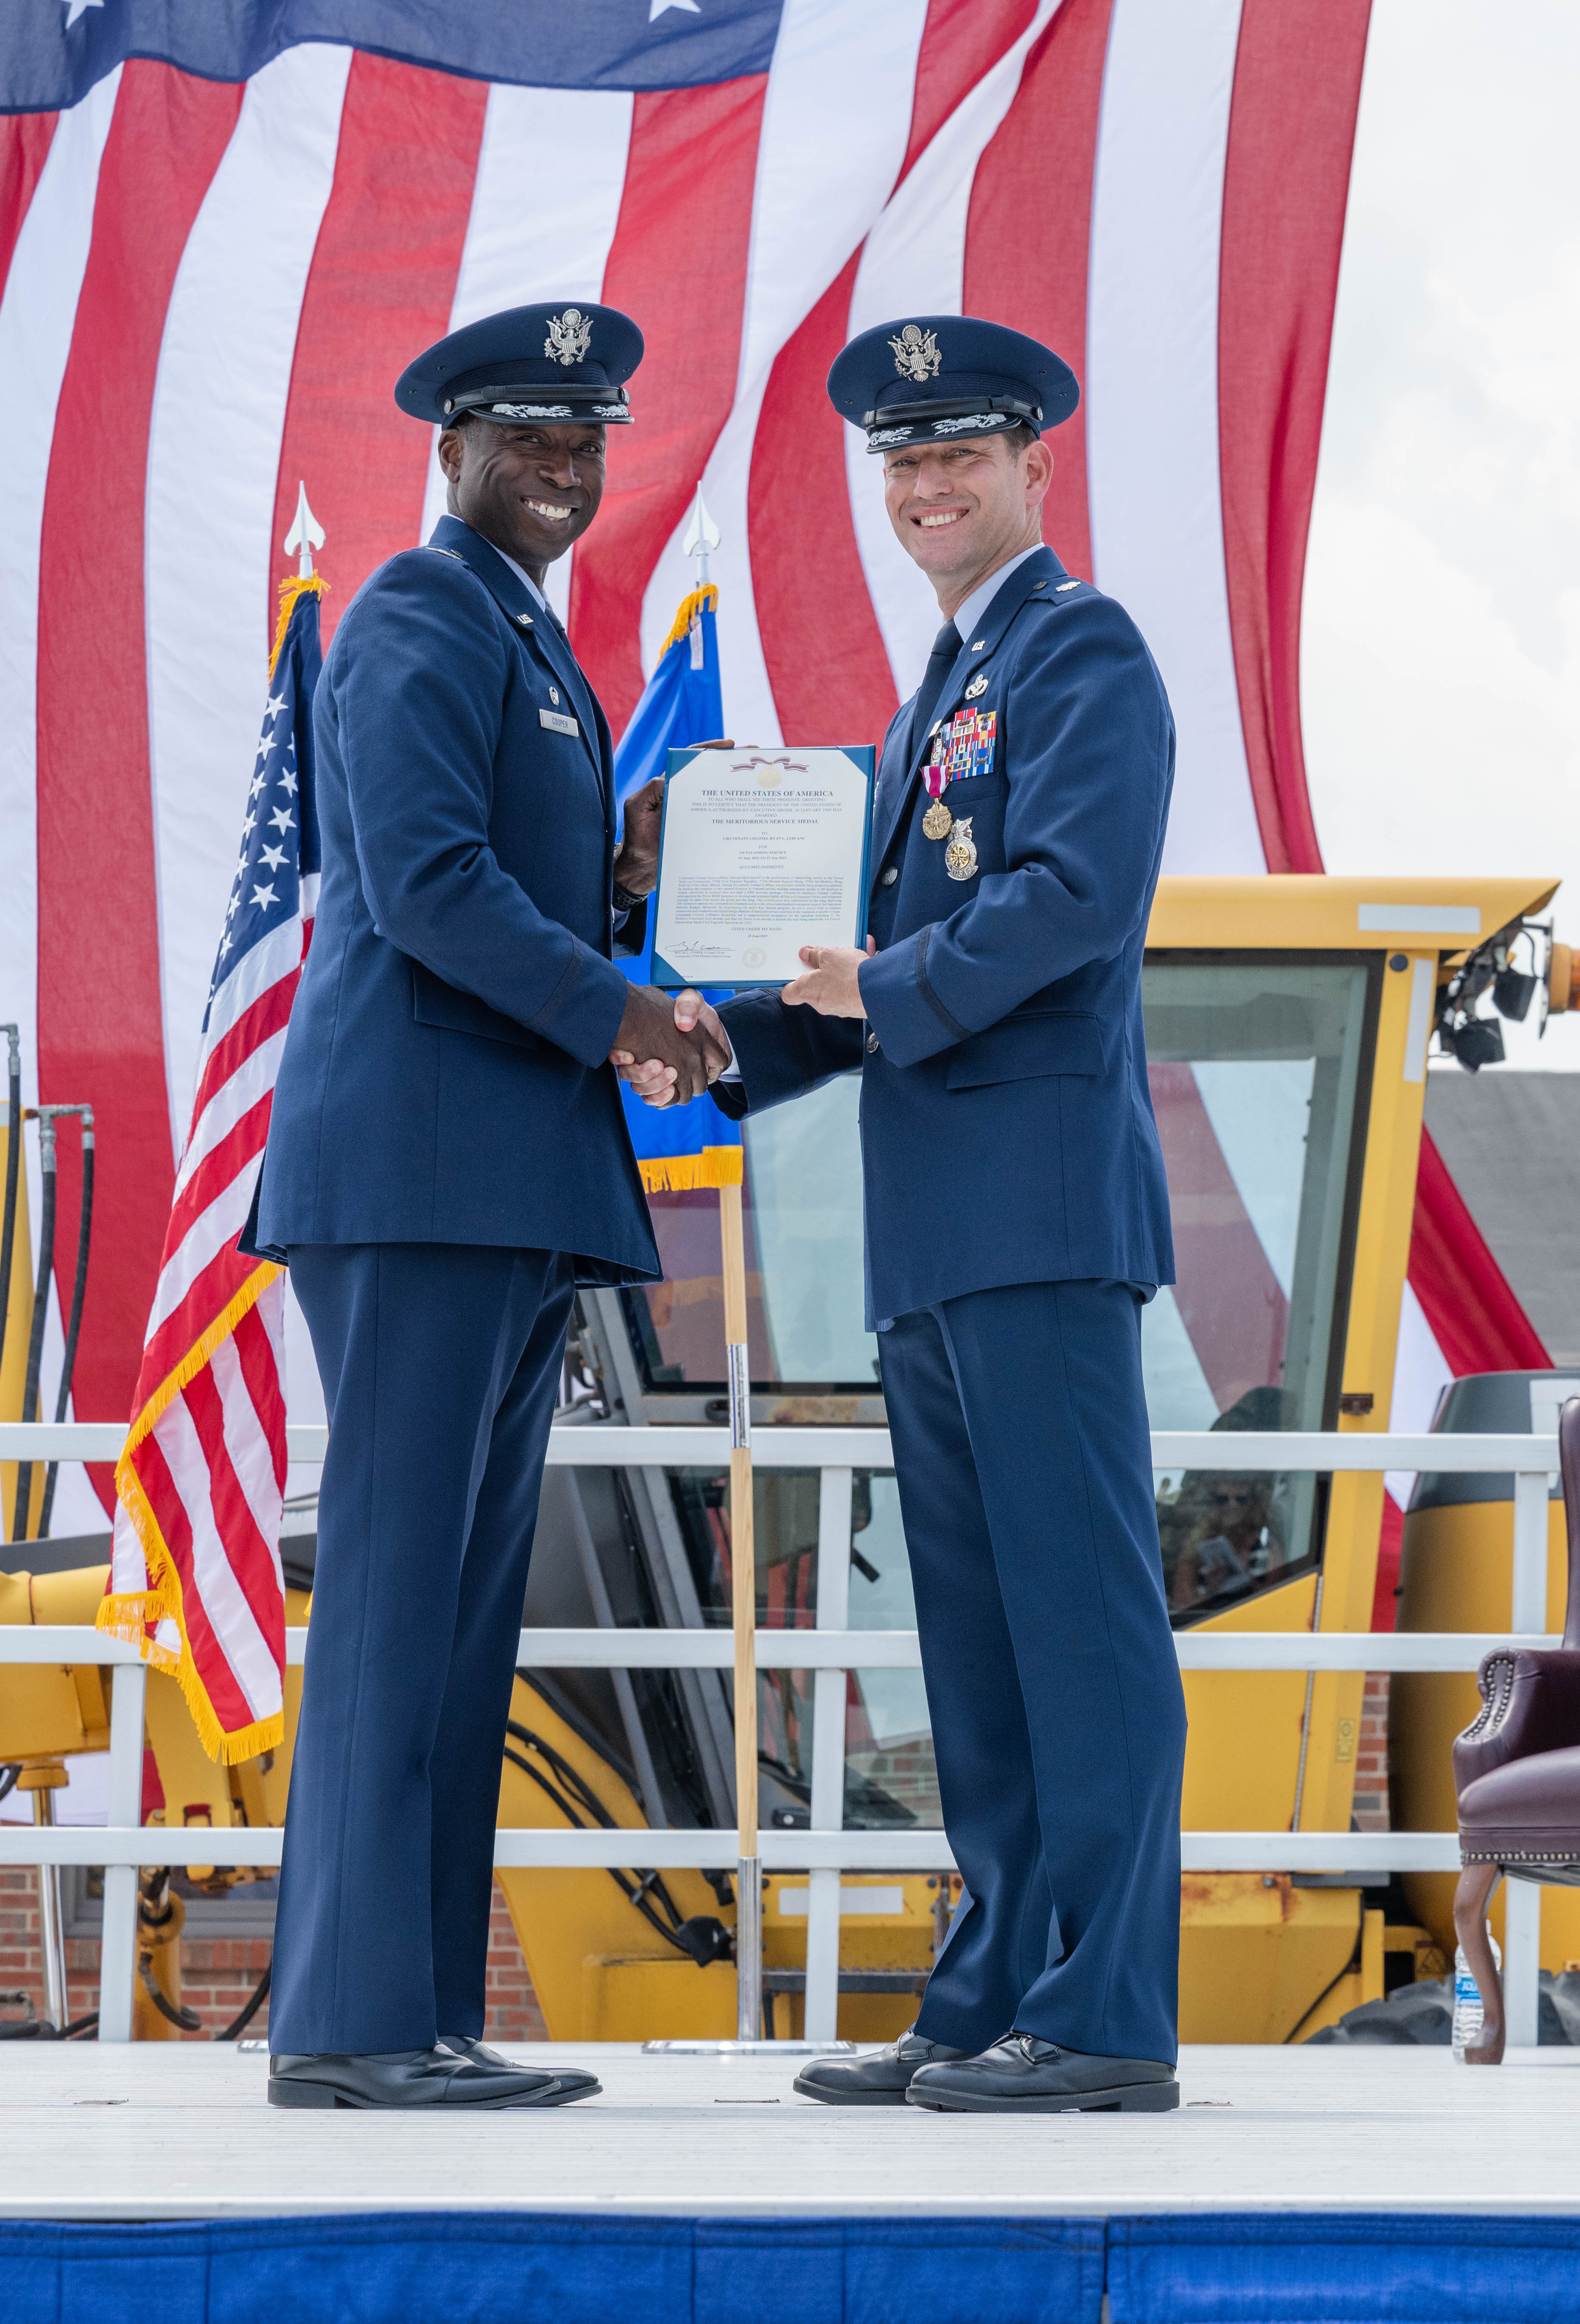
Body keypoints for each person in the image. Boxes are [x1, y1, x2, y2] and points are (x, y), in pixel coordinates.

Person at [617, 317, 1186, 2113]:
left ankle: (1103, 2019)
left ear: (1033, 467)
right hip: (937, 1230)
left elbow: (1074, 899)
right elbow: (860, 975)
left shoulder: (1081, 651)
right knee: (979, 1646)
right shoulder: (938, 689)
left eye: (959, 455)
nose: (928, 486)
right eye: (903, 461)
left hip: (1038, 1217)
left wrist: (875, 984)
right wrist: (721, 1042)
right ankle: (991, 1993)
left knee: (1076, 1626)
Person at [254, 301, 725, 2111]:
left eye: (584, 437)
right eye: (527, 432)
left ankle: (420, 2014)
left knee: (458, 1624)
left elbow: (500, 874)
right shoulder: (416, 612)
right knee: (394, 1602)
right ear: (449, 448)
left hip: (501, 1180)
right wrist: (627, 1012)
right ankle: (349, 2025)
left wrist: (621, 871)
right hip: (418, 1172)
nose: (562, 463)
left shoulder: (525, 636)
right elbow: (426, 884)